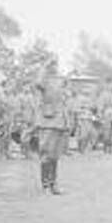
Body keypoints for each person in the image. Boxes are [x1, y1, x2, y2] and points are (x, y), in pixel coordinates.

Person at [34, 64, 71, 194]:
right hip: (47, 121)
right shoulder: (45, 81)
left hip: (59, 122)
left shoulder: (60, 83)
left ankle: (53, 184)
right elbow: (38, 83)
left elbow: (64, 103)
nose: (56, 68)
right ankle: (45, 185)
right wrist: (44, 66)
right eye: (53, 66)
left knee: (55, 155)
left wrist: (67, 123)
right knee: (46, 154)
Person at [96, 77, 112, 154]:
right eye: (109, 84)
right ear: (106, 84)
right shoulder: (103, 94)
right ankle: (105, 149)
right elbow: (100, 104)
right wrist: (100, 113)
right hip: (107, 112)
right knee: (106, 131)